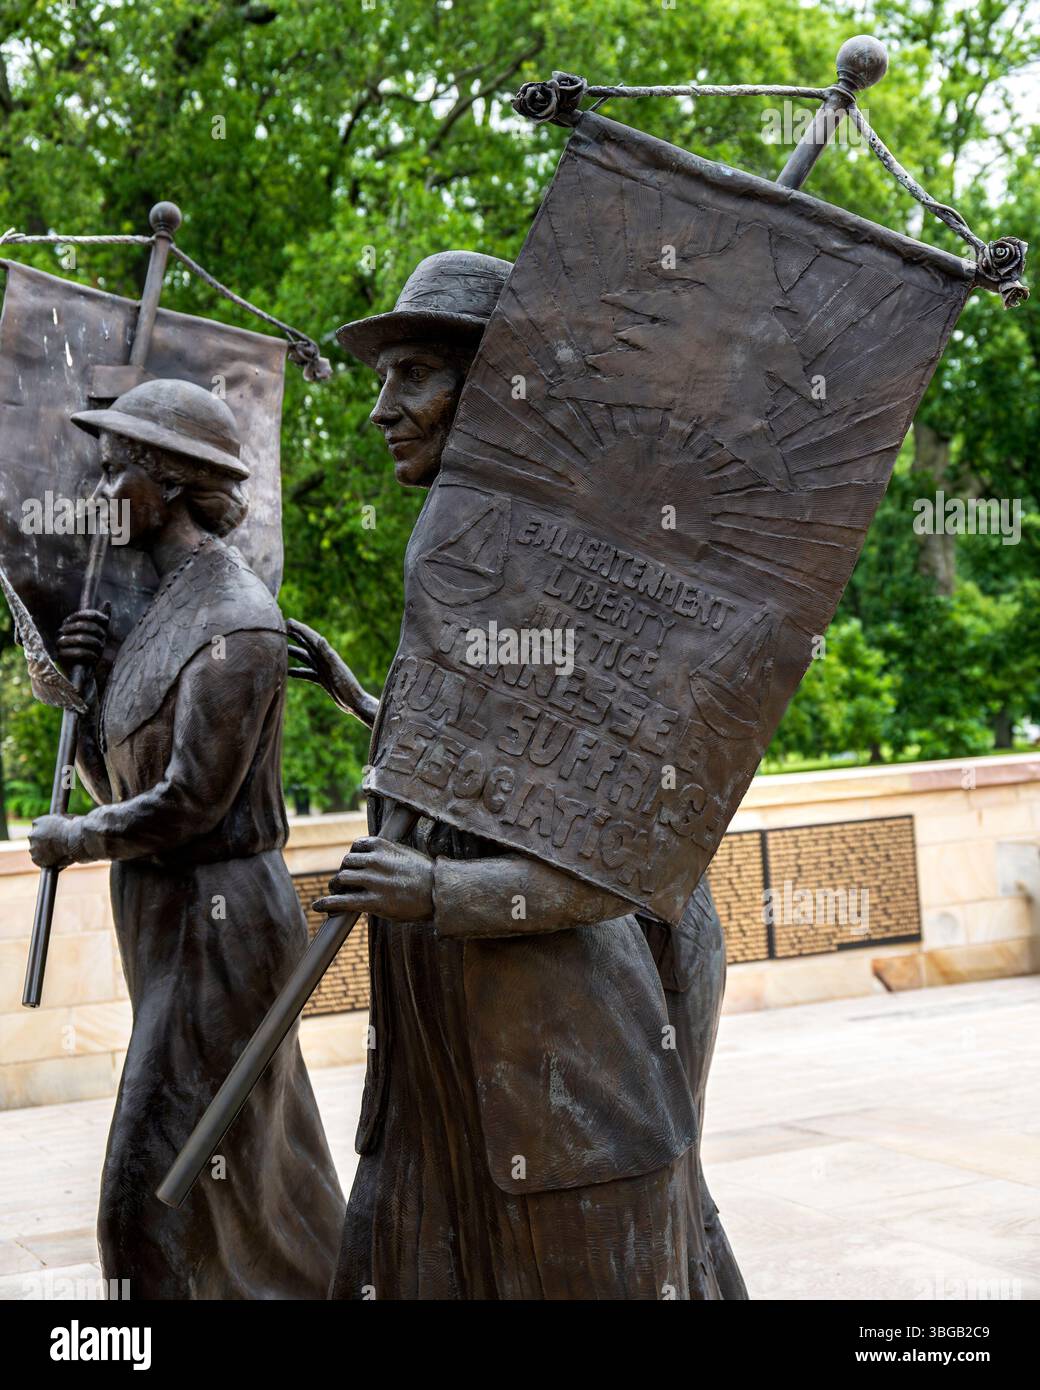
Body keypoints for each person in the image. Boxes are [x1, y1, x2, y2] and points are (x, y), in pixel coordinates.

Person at [292, 252, 745, 1299]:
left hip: (557, 1063)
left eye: (411, 375)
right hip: (431, 1071)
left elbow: (635, 863)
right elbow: (493, 752)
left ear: (497, 387)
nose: (382, 411)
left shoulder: (578, 576)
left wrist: (436, 890)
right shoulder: (464, 552)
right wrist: (378, 710)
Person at [29, 379, 344, 1300]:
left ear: (165, 484)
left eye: (114, 472)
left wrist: (77, 839)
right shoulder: (164, 608)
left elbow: (191, 803)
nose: (98, 495)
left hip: (224, 922)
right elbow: (123, 781)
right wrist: (84, 702)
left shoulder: (235, 619)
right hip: (168, 918)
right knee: (250, 1170)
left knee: (148, 1189)